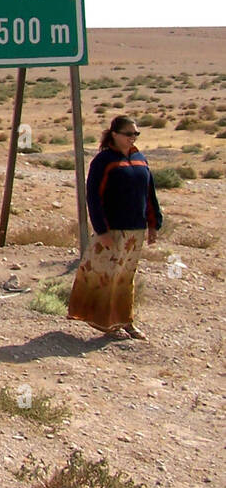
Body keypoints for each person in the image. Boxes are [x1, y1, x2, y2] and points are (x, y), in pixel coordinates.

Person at [67, 115, 162, 340]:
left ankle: (125, 321)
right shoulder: (104, 160)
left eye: (136, 134)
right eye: (129, 134)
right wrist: (102, 230)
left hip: (135, 230)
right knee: (104, 276)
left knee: (125, 278)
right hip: (112, 230)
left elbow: (149, 194)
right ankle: (105, 322)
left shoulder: (140, 159)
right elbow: (94, 196)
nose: (133, 138)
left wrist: (153, 224)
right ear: (115, 134)